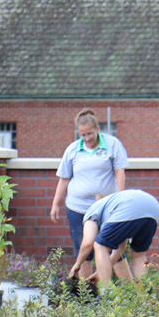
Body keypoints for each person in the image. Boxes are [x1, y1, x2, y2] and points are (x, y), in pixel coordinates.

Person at [50, 109, 129, 274]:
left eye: (90, 134)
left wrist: (119, 197)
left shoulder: (112, 144)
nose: (87, 138)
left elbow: (119, 172)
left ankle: (127, 291)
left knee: (113, 248)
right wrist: (55, 203)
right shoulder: (72, 150)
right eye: (83, 135)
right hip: (78, 207)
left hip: (105, 206)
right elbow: (64, 178)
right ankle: (86, 294)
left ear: (97, 129)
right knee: (83, 251)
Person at [67, 188, 159, 287]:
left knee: (99, 245)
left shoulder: (92, 211)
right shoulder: (113, 208)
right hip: (153, 208)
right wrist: (100, 272)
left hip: (130, 207)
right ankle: (144, 294)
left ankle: (105, 292)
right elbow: (119, 250)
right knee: (138, 254)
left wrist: (77, 265)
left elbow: (87, 243)